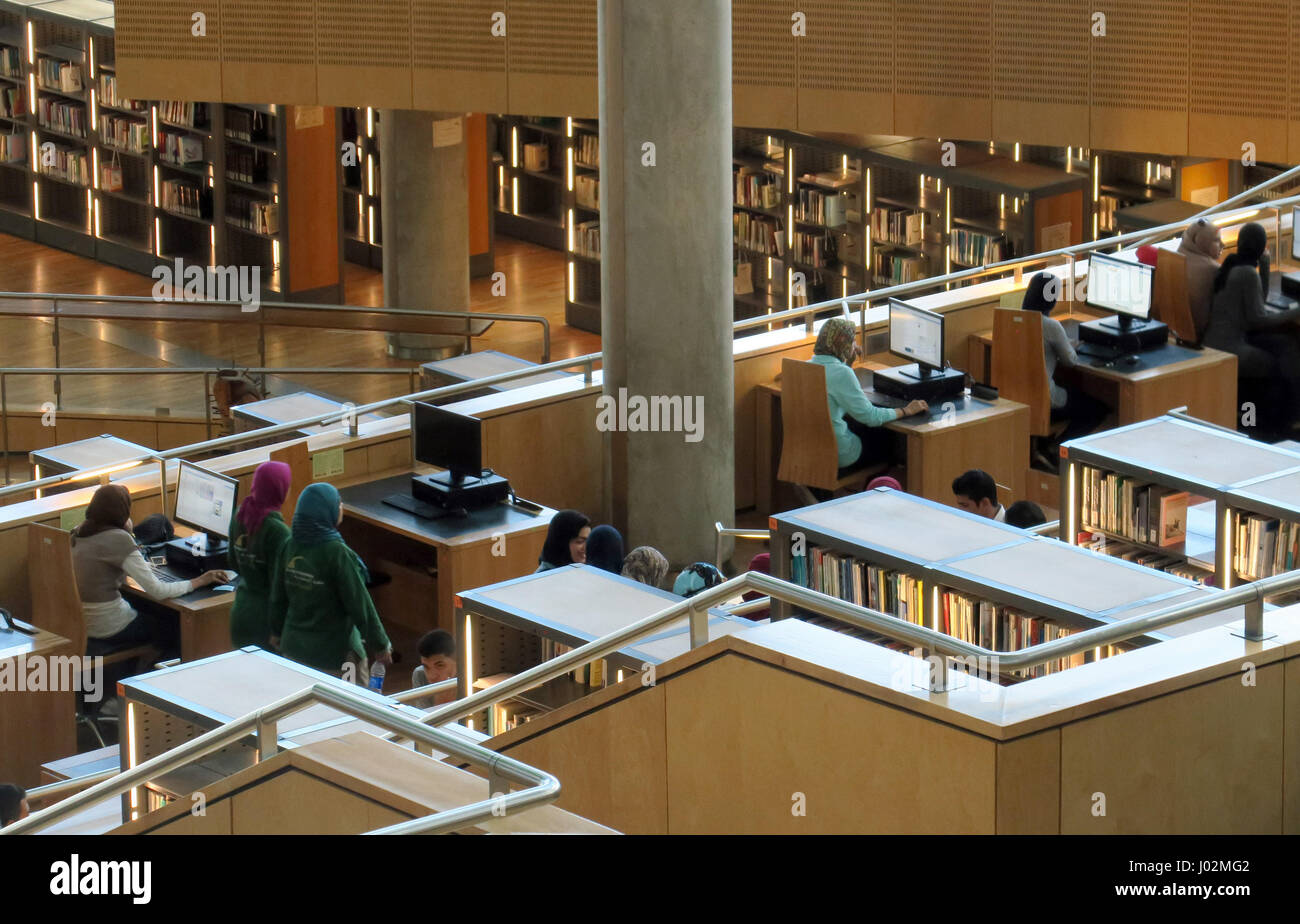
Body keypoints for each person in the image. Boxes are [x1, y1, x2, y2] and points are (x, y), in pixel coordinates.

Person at [70, 484, 226, 660]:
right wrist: (200, 580)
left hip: (82, 624)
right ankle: (157, 672)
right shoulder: (118, 539)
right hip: (110, 626)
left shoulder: (78, 532)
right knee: (176, 624)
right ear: (122, 513)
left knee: (149, 607)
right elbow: (158, 591)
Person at [269, 483, 391, 685]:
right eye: (339, 503)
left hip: (293, 650)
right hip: (336, 655)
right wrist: (380, 644)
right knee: (355, 710)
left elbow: (277, 597)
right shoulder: (337, 553)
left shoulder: (289, 545)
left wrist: (275, 631)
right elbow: (360, 605)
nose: (341, 507)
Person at [1203, 221, 1300, 436]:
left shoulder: (1231, 265)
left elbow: (1258, 302)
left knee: (1284, 346)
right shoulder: (1246, 273)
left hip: (1216, 340)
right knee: (1278, 364)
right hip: (1231, 346)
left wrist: (1264, 265)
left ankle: (1262, 420)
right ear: (1261, 246)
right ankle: (1270, 424)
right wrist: (1295, 313)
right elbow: (1259, 319)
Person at [809, 317, 927, 472]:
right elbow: (871, 417)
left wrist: (848, 363)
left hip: (811, 451)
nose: (855, 346)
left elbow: (835, 396)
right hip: (840, 454)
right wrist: (906, 410)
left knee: (859, 426)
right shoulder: (842, 374)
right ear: (843, 344)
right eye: (852, 342)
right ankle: (880, 489)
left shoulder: (807, 367)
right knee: (890, 438)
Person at [1022, 271, 1109, 445]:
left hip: (1015, 397)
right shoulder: (1051, 326)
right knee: (1097, 409)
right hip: (1046, 399)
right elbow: (1070, 361)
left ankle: (1046, 446)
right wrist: (1071, 346)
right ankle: (1057, 446)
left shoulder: (1011, 320)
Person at [228, 461, 292, 650]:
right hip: (267, 622)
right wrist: (278, 629)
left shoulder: (239, 515)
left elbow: (233, 562)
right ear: (280, 490)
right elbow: (279, 587)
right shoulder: (279, 532)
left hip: (241, 612)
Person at [1177, 218, 1223, 341]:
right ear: (1201, 241)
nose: (1223, 245)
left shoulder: (1174, 257)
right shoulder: (1212, 269)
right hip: (1199, 337)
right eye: (1217, 241)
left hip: (1173, 331)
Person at [410, 629, 457, 709]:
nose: (431, 676)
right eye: (426, 667)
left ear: (456, 660)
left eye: (440, 666)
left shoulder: (469, 676)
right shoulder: (420, 674)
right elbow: (424, 716)